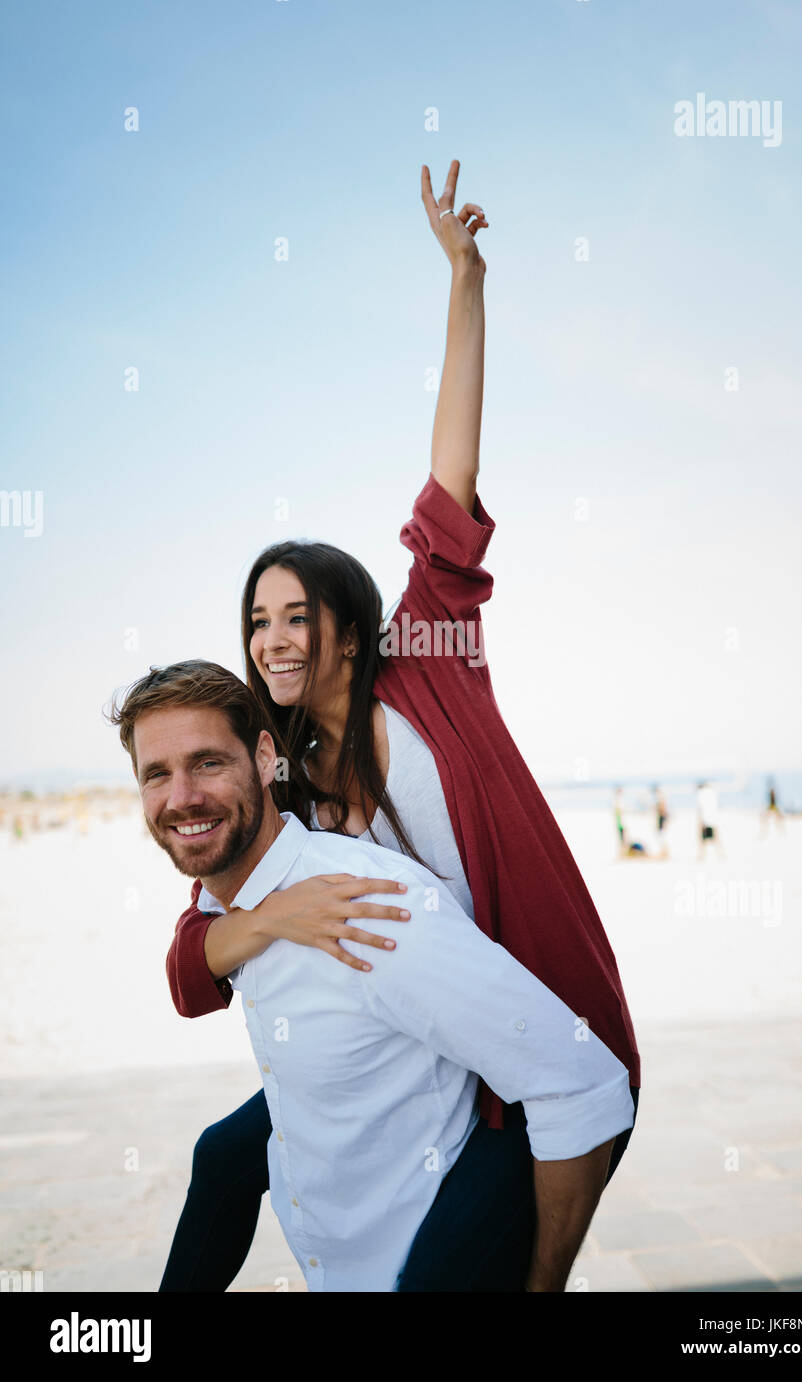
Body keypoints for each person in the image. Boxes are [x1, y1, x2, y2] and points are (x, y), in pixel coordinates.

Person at [154, 160, 641, 1292]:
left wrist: (464, 279)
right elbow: (189, 965)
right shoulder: (283, 777)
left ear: (346, 618)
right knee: (226, 1156)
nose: (273, 636)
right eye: (255, 619)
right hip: (426, 1047)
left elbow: (450, 476)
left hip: (532, 1035)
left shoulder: (429, 664)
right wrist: (274, 920)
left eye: (295, 612)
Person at [111, 660, 636, 1293]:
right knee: (221, 1154)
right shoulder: (224, 905)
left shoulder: (366, 908)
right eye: (156, 775)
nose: (182, 796)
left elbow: (581, 1084)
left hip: (418, 1264)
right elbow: (187, 970)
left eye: (208, 763)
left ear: (265, 757)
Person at [696, 780, 724, 859]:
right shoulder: (712, 793)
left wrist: (700, 821)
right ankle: (721, 854)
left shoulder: (701, 794)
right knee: (716, 838)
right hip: (713, 819)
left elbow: (701, 809)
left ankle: (701, 855)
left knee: (702, 839)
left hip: (706, 819)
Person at [652, 783, 670, 860]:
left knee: (661, 836)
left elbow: (663, 810)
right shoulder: (661, 798)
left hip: (661, 819)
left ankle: (664, 852)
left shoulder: (660, 798)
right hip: (661, 818)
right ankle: (664, 851)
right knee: (661, 836)